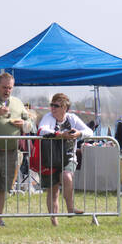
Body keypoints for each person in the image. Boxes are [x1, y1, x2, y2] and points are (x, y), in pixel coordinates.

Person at [0, 71, 34, 227]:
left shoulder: (17, 102)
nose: (7, 91)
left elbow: (29, 120)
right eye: (4, 87)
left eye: (10, 88)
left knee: (3, 186)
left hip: (10, 151)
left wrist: (24, 125)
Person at [37, 93, 93, 226]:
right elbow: (41, 130)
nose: (52, 108)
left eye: (56, 105)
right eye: (52, 105)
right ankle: (54, 221)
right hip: (50, 157)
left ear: (65, 107)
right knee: (53, 190)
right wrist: (61, 134)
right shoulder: (48, 117)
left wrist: (79, 134)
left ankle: (70, 208)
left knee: (67, 176)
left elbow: (89, 132)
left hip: (68, 157)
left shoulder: (72, 118)